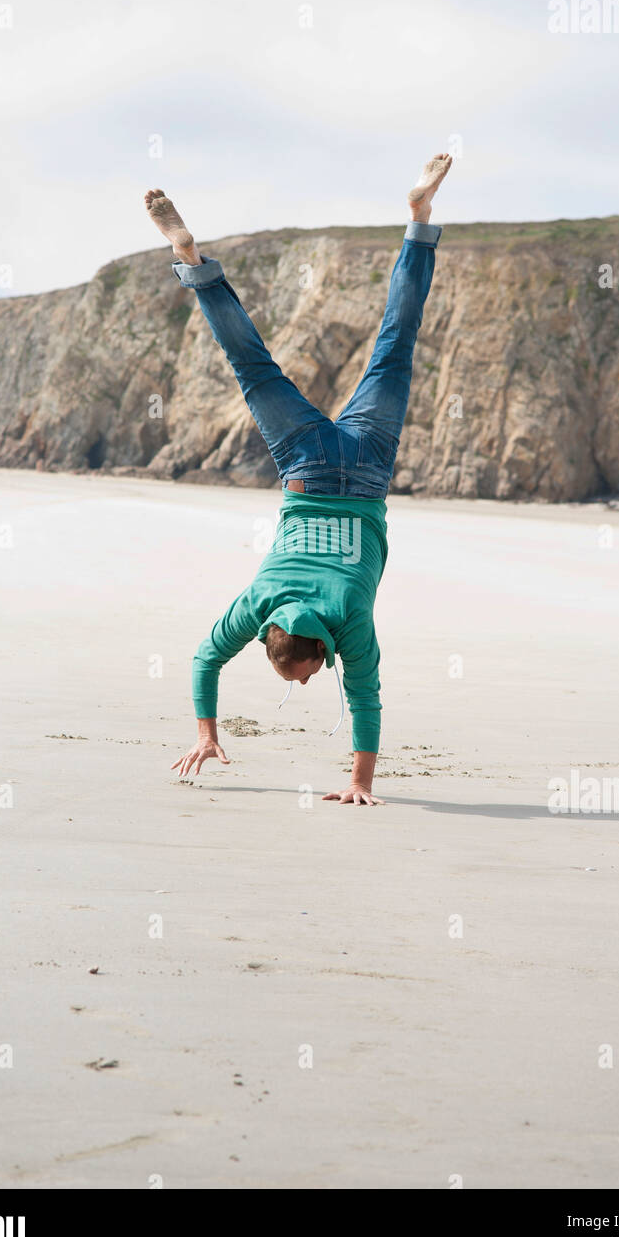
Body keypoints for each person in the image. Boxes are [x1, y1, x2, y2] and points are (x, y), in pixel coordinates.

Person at [144, 154, 451, 805]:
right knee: (251, 366)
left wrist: (359, 783)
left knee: (398, 345)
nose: (310, 682)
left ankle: (420, 222)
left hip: (365, 466)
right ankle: (193, 263)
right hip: (307, 466)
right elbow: (204, 658)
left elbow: (366, 697)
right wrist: (206, 728)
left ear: (316, 645)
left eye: (307, 674)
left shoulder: (348, 620)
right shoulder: (259, 604)